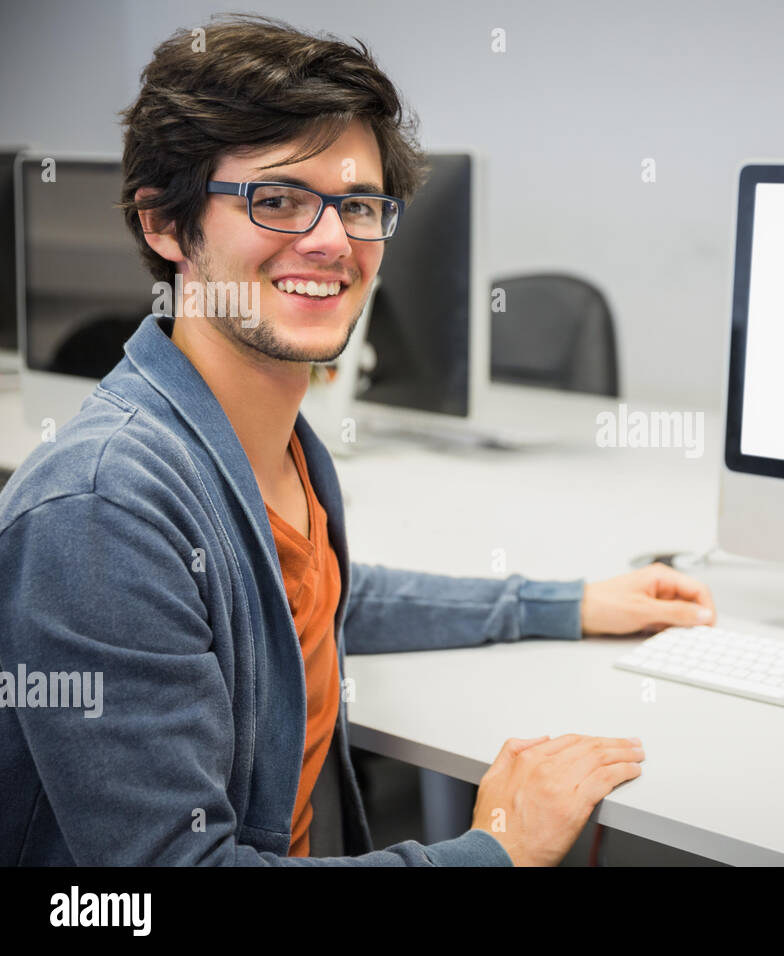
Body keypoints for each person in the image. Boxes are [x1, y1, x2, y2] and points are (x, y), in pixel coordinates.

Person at [0, 13, 715, 866]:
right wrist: (496, 851)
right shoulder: (102, 513)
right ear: (163, 224)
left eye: (360, 205)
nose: (334, 240)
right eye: (279, 199)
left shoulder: (277, 444)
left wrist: (566, 603)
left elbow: (315, 597)